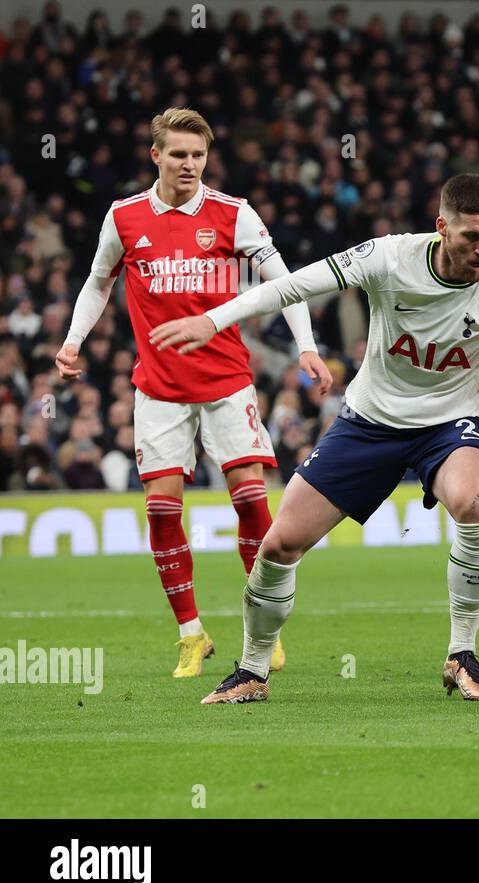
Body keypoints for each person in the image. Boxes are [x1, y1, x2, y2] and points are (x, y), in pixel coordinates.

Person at [151, 174, 479, 704]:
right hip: (369, 421)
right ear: (441, 228)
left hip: (451, 423)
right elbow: (293, 285)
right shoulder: (390, 258)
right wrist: (213, 320)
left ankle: (462, 652)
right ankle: (253, 671)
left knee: (476, 501)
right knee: (280, 544)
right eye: (470, 237)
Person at [56, 107, 330, 679]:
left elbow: (286, 282)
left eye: (198, 156)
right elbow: (97, 282)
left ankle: (262, 633)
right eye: (178, 154)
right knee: (161, 510)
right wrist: (73, 341)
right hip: (158, 387)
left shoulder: (233, 213)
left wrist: (306, 345)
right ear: (155, 155)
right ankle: (191, 634)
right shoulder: (125, 217)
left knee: (253, 503)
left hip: (227, 381)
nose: (189, 165)